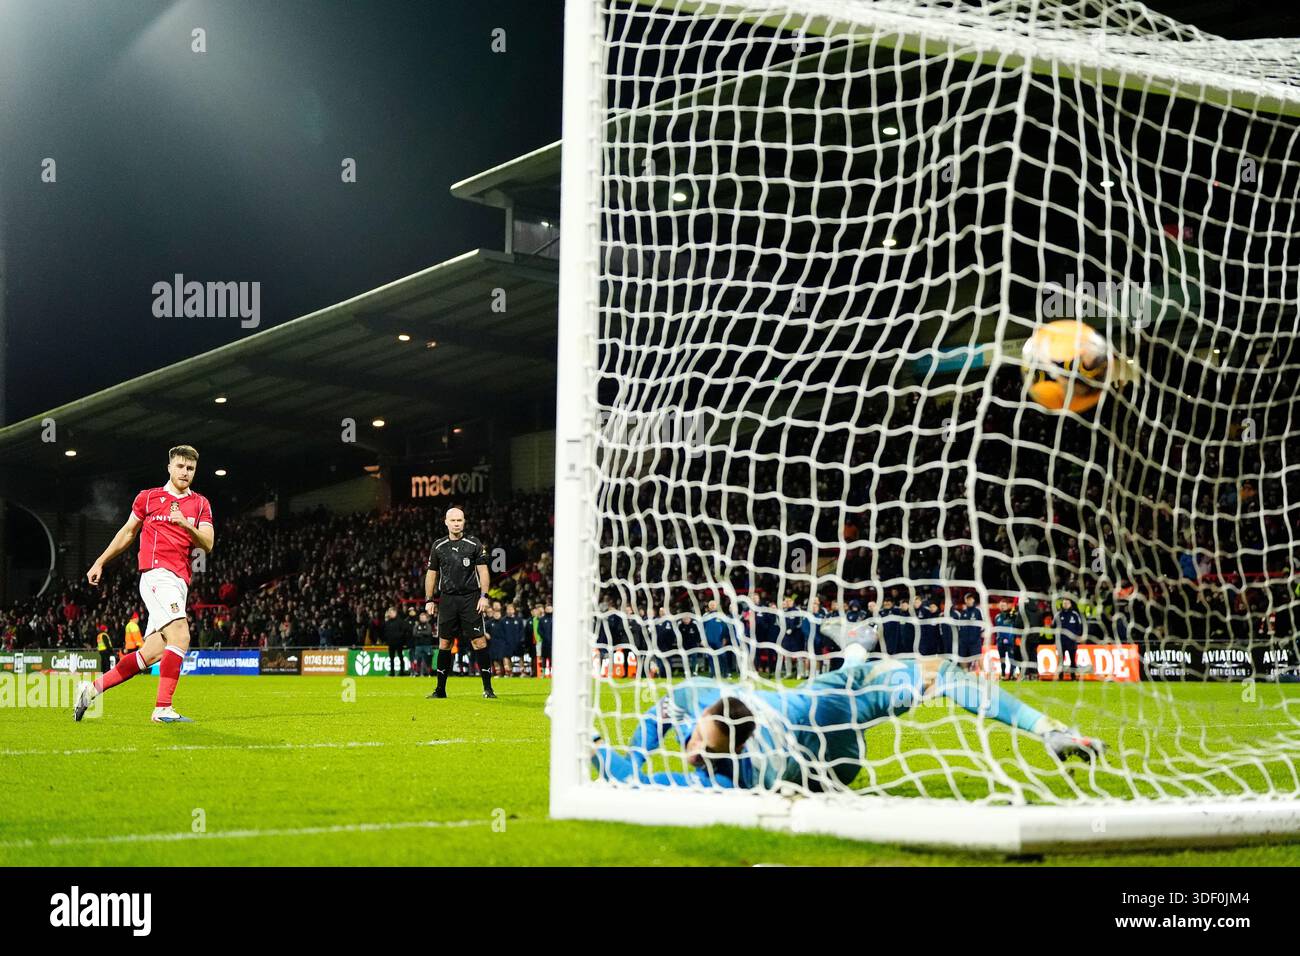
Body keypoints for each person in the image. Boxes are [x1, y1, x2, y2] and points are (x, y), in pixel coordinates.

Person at [593, 647, 1105, 791]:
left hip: (824, 741)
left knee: (934, 673)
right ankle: (859, 648)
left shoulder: (731, 776)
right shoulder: (725, 749)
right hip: (837, 762)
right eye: (698, 748)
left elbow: (626, 775)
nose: (690, 753)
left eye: (697, 744)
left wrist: (596, 746)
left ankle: (1050, 731)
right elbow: (657, 729)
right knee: (925, 675)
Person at [76, 445, 215, 723]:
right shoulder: (149, 498)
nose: (185, 472)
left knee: (151, 654)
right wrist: (100, 561)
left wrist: (186, 525)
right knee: (181, 636)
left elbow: (208, 543)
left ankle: (90, 690)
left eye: (190, 468)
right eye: (180, 466)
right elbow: (127, 532)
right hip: (156, 575)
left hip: (179, 581)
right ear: (169, 468)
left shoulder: (200, 503)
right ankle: (163, 708)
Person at [424, 506, 493, 699]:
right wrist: (429, 599)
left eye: (459, 520)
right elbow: (431, 574)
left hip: (470, 598)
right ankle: (440, 690)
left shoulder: (474, 544)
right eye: (453, 520)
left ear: (464, 522)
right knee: (444, 643)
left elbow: (483, 571)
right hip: (447, 599)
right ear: (446, 522)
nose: (456, 523)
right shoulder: (438, 546)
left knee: (479, 641)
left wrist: (484, 596)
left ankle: (488, 689)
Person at [1056, 596, 1085, 680]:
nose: (1065, 604)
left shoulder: (1075, 614)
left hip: (1072, 641)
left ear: (1070, 604)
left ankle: (1073, 676)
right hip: (1061, 641)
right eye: (1064, 603)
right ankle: (1060, 676)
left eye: (1067, 603)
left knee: (1073, 660)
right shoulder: (1058, 614)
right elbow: (1053, 627)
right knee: (1061, 660)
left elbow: (1079, 627)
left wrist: (1078, 637)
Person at [956, 593, 985, 670]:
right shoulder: (962, 612)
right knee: (963, 658)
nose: (969, 601)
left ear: (973, 600)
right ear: (965, 600)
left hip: (975, 641)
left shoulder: (978, 611)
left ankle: (984, 675)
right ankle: (965, 675)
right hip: (963, 641)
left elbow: (983, 625)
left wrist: (977, 635)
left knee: (978, 657)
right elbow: (959, 626)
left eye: (971, 599)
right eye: (968, 599)